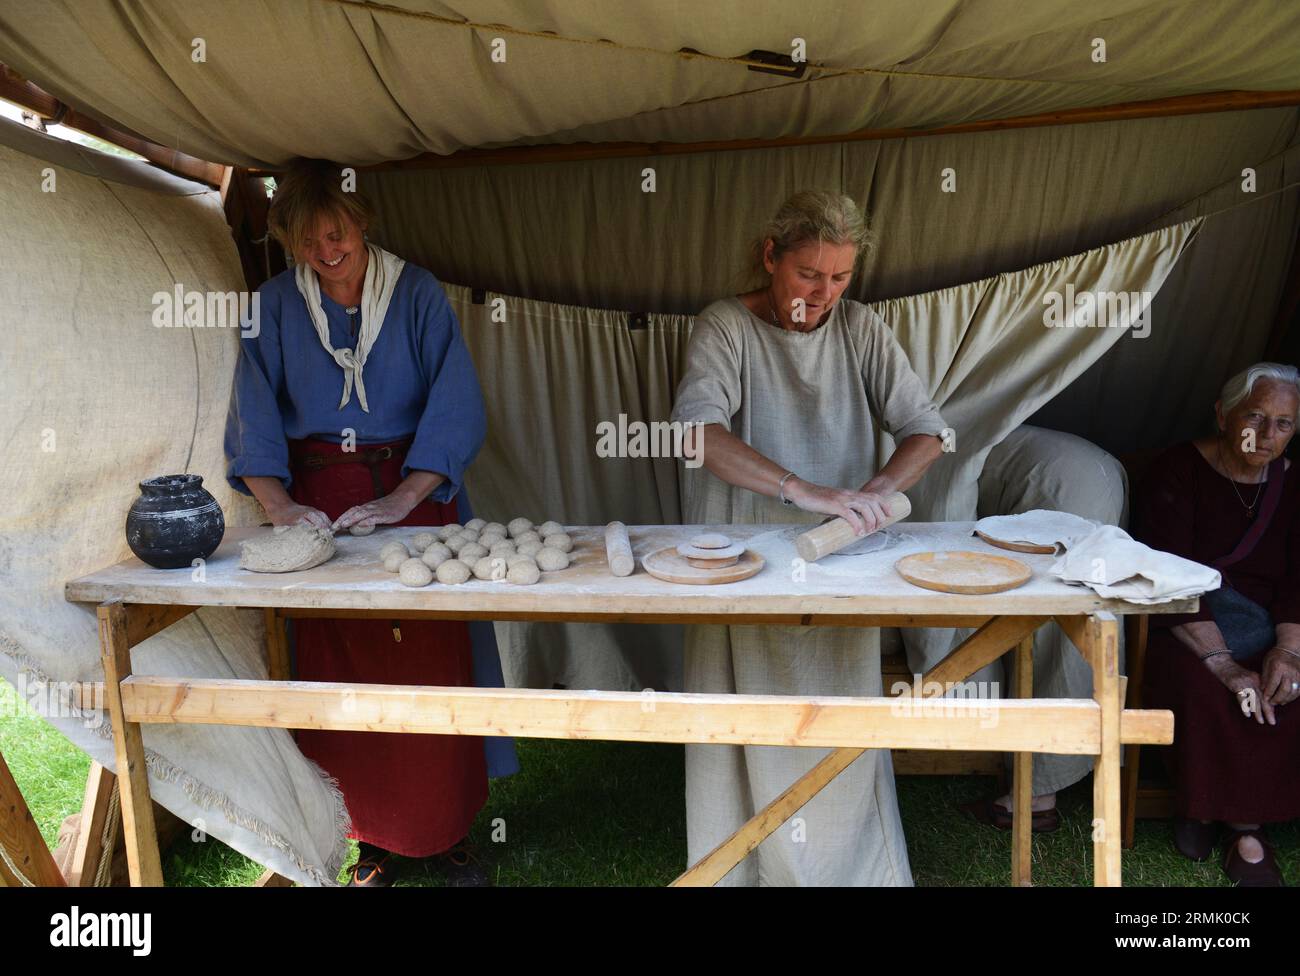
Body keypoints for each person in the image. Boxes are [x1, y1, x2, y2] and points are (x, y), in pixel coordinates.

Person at [224, 158, 490, 886]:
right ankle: (368, 840)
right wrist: (282, 509)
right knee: (345, 669)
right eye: (308, 241)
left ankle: (450, 832)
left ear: (360, 221)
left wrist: (406, 498)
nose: (326, 251)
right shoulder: (276, 305)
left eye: (335, 232)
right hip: (324, 509)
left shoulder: (418, 293)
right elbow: (252, 407)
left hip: (416, 494)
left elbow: (456, 402)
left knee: (431, 665)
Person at [670, 190, 947, 885]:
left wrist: (877, 493)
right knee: (739, 725)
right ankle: (737, 869)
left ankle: (844, 870)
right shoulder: (725, 326)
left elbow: (927, 428)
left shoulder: (859, 328)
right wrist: (802, 491)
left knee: (831, 721)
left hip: (834, 564)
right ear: (770, 256)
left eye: (840, 278)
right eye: (808, 275)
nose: (824, 294)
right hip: (739, 565)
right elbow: (696, 434)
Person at [1132, 362, 1300, 886]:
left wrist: (1289, 652)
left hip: (1267, 625)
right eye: (1254, 415)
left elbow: (1299, 579)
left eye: (1284, 423)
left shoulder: (1295, 485)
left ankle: (1221, 814)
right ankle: (1236, 823)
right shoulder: (1177, 470)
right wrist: (1222, 662)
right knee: (1208, 688)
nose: (1266, 434)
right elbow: (1165, 574)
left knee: (1283, 687)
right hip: (1184, 623)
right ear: (1223, 414)